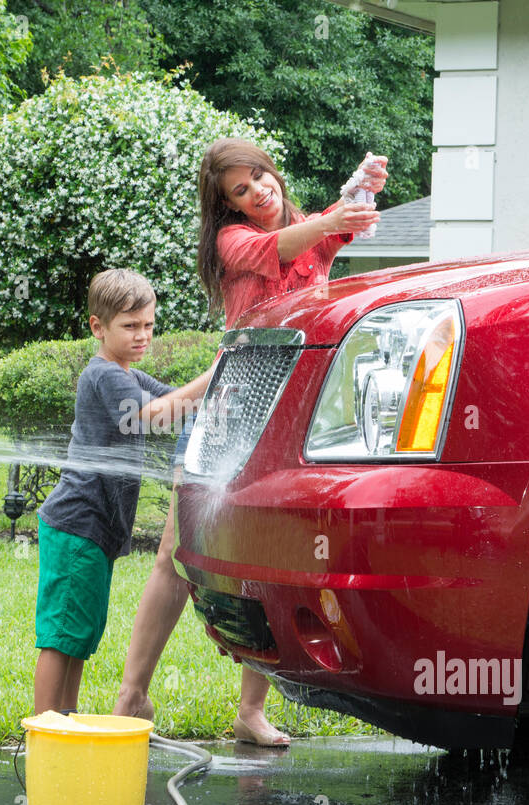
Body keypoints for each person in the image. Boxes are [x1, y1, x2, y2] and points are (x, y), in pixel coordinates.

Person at [112, 138, 385, 745]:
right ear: (227, 206)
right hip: (234, 408)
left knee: (264, 555)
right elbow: (283, 244)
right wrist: (333, 216)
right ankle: (132, 695)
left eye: (260, 175)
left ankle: (250, 711)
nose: (259, 189)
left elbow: (336, 226)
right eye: (241, 189)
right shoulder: (232, 242)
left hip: (297, 411)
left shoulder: (303, 223)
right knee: (176, 554)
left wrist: (361, 186)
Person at [33, 269, 211, 713]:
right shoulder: (104, 376)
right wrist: (213, 372)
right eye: (130, 326)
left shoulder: (128, 374)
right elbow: (154, 416)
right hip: (78, 524)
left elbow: (181, 403)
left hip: (94, 530)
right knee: (61, 637)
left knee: (79, 635)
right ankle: (45, 728)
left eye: (149, 325)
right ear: (98, 327)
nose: (142, 335)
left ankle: (65, 723)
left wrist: (223, 386)